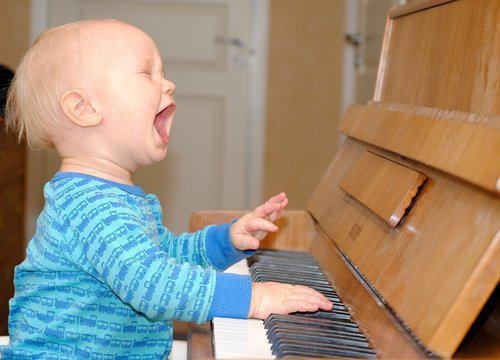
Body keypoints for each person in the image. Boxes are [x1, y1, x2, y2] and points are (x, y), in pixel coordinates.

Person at [1, 19, 332, 359]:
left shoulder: (111, 196)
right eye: (147, 73)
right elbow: (154, 283)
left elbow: (163, 258)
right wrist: (254, 298)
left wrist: (225, 241)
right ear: (84, 109)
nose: (169, 83)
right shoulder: (90, 205)